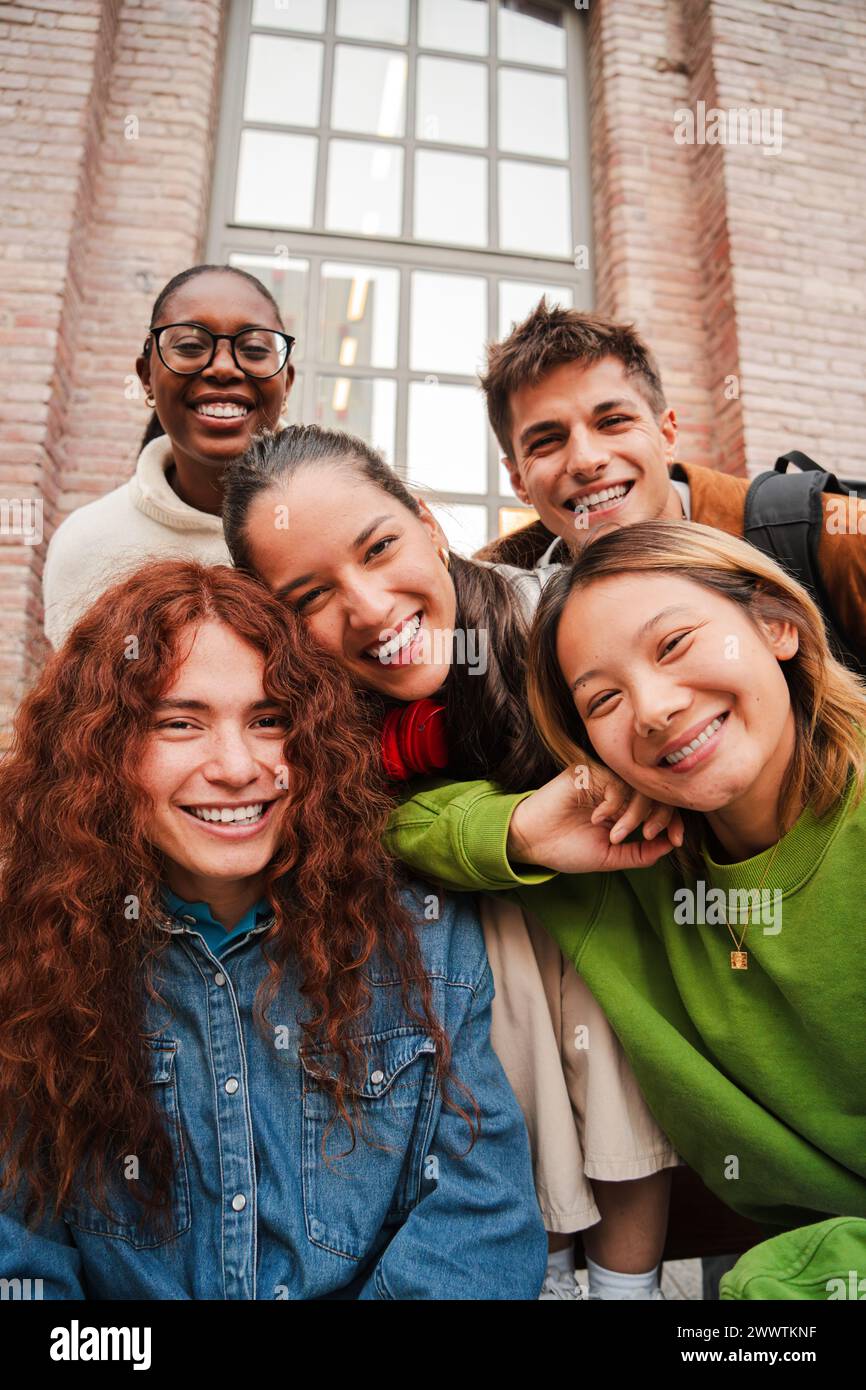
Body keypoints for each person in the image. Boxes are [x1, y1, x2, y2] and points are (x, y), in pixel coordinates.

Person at [0, 560, 547, 1300]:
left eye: (269, 721)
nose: (236, 767)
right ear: (99, 749)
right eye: (180, 723)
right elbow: (20, 1259)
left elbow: (482, 1224)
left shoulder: (421, 934)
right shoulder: (32, 952)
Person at [222, 424, 682, 1302]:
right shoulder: (308, 728)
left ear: (428, 524)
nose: (368, 608)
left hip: (643, 970)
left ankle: (624, 1286)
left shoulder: (556, 623)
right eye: (311, 595)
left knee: (549, 927)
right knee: (458, 923)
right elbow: (376, 831)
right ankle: (536, 1263)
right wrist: (509, 833)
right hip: (463, 1042)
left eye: (379, 548)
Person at [386, 521, 866, 1236]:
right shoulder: (628, 863)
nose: (653, 710)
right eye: (603, 700)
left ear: (775, 624)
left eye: (674, 644)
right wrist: (522, 829)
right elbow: (388, 826)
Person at [475, 300, 866, 664]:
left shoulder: (833, 538)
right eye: (546, 441)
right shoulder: (490, 617)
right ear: (518, 480)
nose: (586, 461)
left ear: (667, 435)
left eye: (613, 421)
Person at [42, 264, 295, 649]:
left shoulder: (336, 522)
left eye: (254, 349)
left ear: (286, 380)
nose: (223, 368)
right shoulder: (87, 543)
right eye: (191, 346)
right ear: (147, 376)